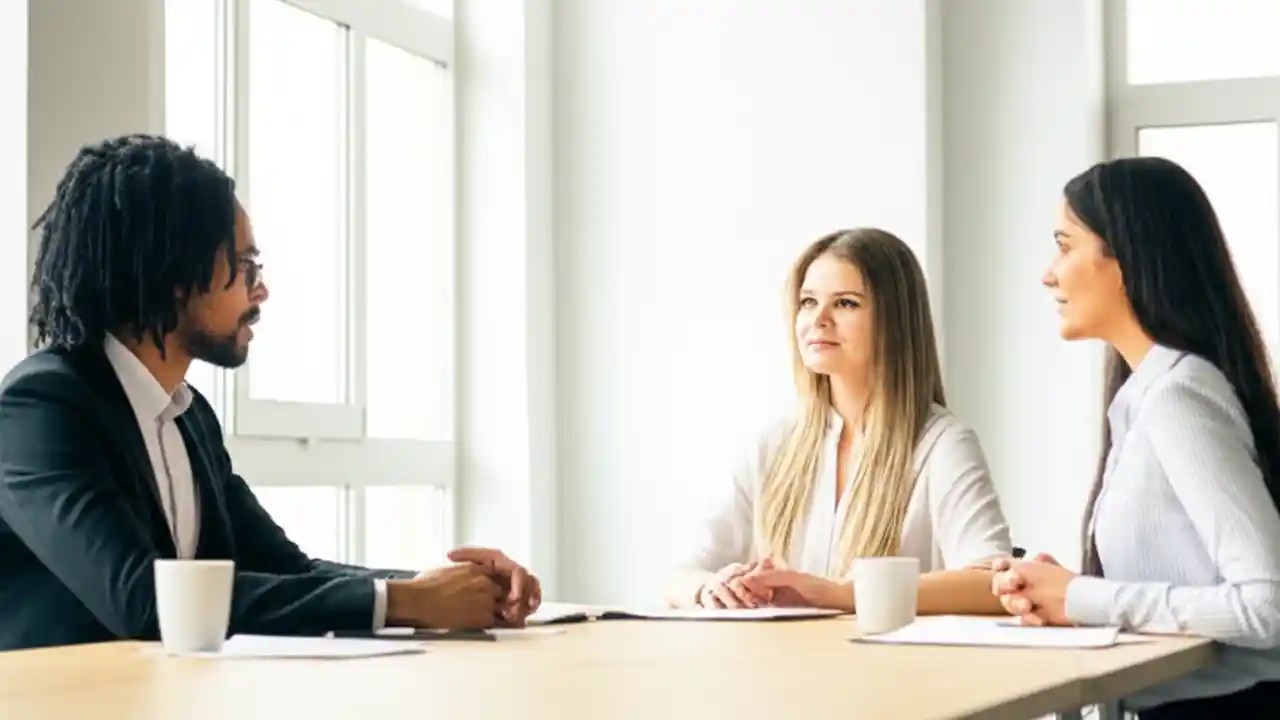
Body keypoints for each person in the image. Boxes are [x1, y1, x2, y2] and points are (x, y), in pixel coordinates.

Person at [0, 135, 539, 651]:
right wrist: (406, 600)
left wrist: (452, 589)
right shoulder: (43, 409)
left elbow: (287, 569)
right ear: (174, 273)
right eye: (245, 266)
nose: (261, 291)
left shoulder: (188, 418)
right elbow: (145, 601)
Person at [991, 157, 1280, 717]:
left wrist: (1080, 597)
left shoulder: (1178, 398)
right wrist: (1062, 589)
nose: (1048, 273)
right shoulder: (1144, 398)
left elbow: (1267, 603)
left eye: (1065, 245)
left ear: (1124, 260)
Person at [664, 228, 1011, 613]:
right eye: (808, 302)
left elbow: (991, 582)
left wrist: (841, 594)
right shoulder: (772, 442)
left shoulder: (942, 443)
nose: (819, 319)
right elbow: (682, 575)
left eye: (846, 303)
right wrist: (710, 589)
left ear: (894, 320)